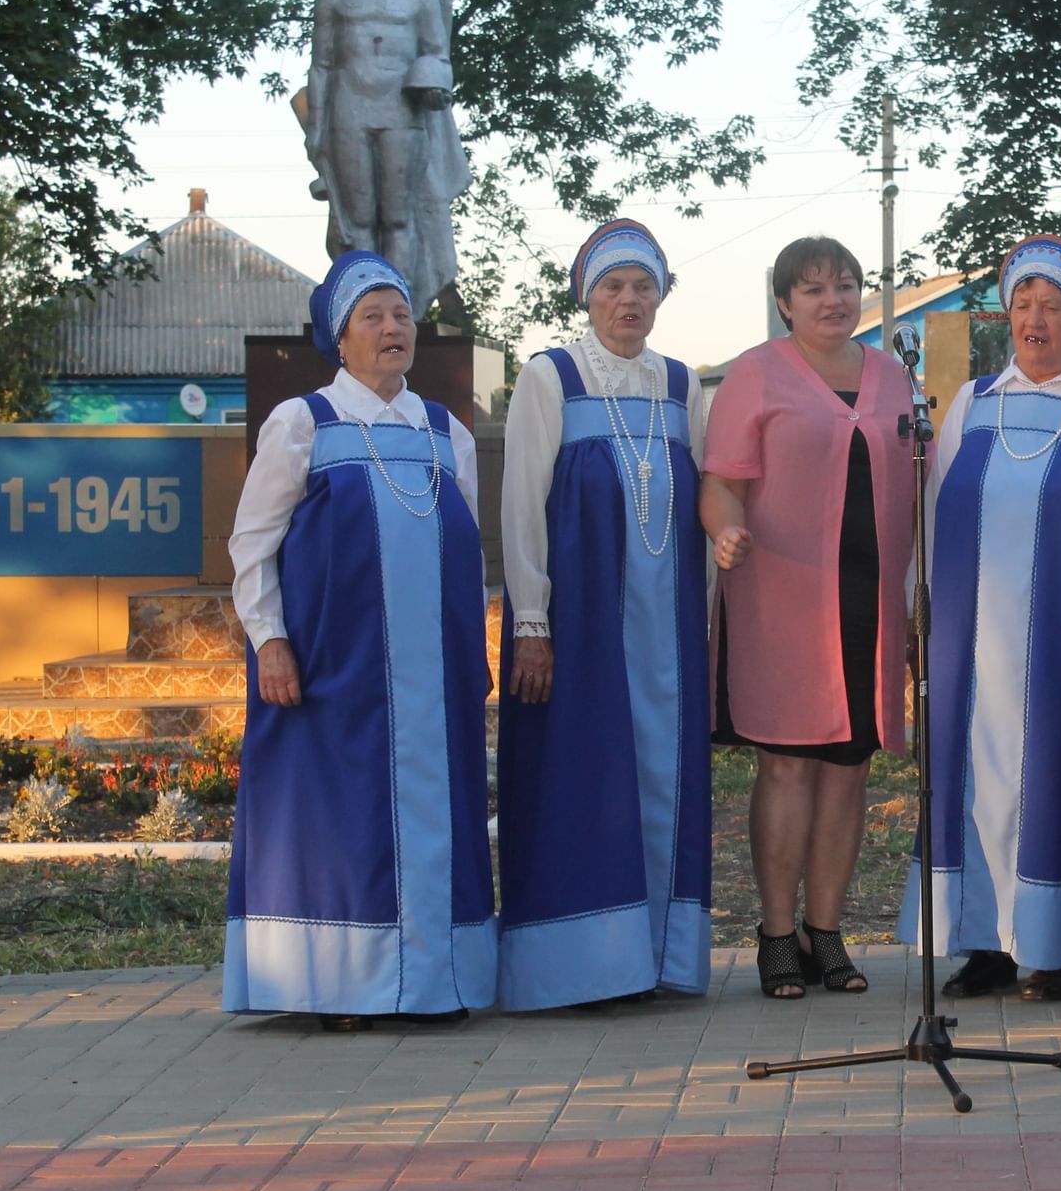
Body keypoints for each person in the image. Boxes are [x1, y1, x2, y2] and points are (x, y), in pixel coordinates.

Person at [224, 250, 495, 1031]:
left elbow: (467, 547)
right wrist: (270, 639)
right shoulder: (303, 422)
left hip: (432, 671)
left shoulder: (445, 431)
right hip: (335, 667)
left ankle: (435, 978)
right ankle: (345, 986)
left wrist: (471, 646)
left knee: (437, 816)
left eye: (402, 315)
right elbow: (252, 542)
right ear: (338, 338)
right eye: (372, 316)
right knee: (342, 821)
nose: (392, 329)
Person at [903, 234, 1061, 1002]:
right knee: (976, 784)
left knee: (1058, 780)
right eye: (1022, 306)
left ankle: (1056, 948)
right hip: (972, 644)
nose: (1034, 320)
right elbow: (934, 510)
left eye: (1052, 307)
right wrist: (920, 604)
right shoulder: (975, 404)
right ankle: (985, 941)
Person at [495, 220, 711, 1011]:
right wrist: (531, 621)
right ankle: (581, 967)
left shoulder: (685, 387)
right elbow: (521, 505)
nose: (629, 301)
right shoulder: (551, 378)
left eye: (643, 287)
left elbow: (705, 507)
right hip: (581, 626)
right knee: (585, 781)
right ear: (587, 299)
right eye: (613, 287)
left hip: (670, 636)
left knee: (661, 777)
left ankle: (657, 958)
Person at [699, 236, 916, 1000]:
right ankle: (774, 932)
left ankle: (828, 931)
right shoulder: (754, 374)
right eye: (814, 288)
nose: (833, 300)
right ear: (785, 300)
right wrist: (723, 529)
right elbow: (721, 481)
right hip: (780, 599)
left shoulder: (895, 377)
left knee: (849, 767)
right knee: (787, 762)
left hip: (869, 604)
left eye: (847, 285)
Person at [302, 0, 469, 316]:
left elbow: (435, 52)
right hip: (348, 105)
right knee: (356, 219)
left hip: (400, 107)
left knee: (398, 215)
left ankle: (400, 308)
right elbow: (321, 63)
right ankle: (361, 307)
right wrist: (316, 128)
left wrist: (434, 87)